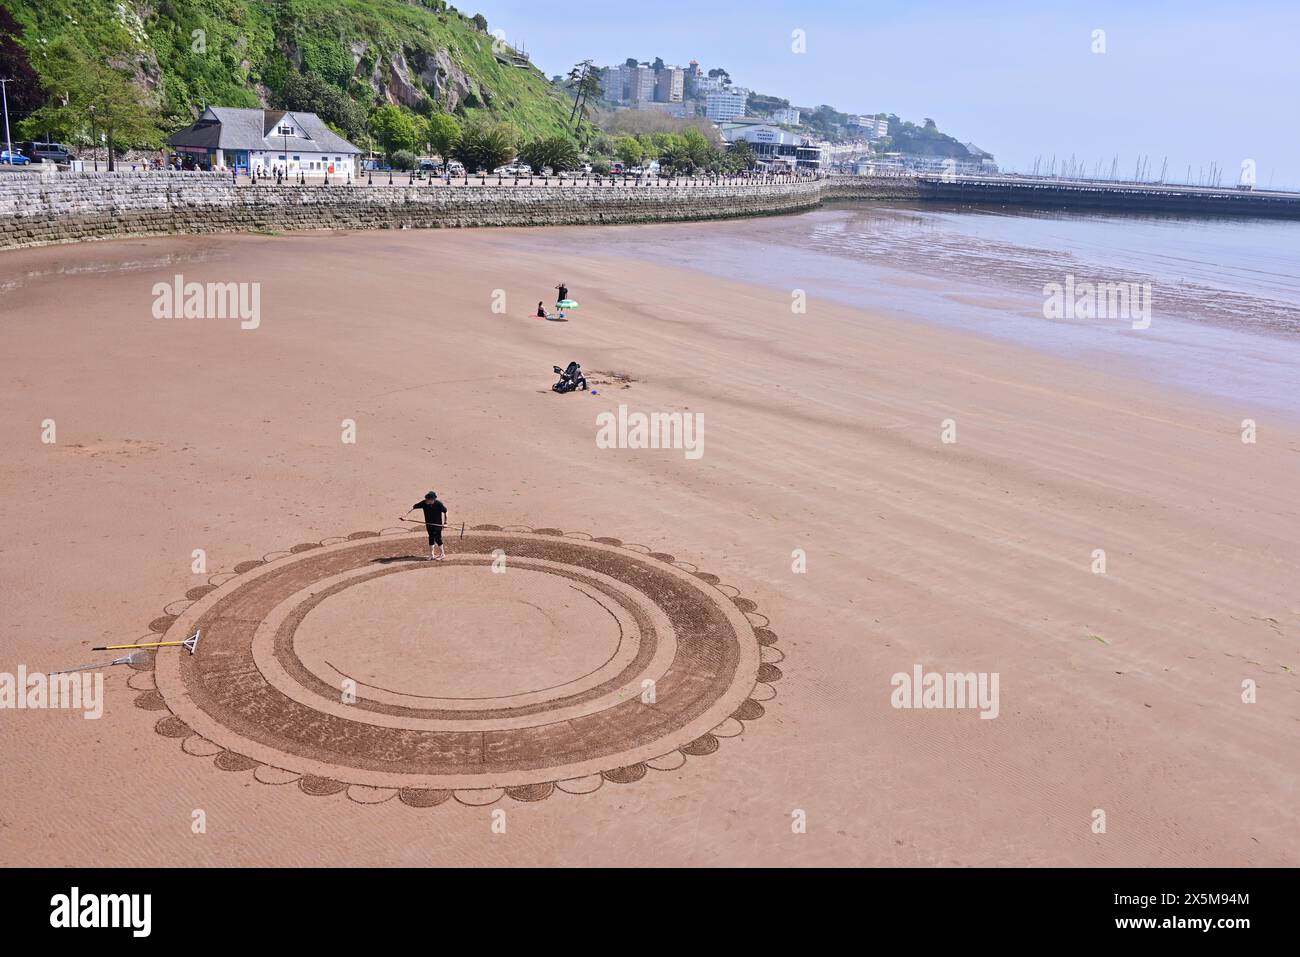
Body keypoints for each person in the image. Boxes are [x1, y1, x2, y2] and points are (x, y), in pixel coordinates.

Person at [403, 491, 449, 560]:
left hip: (437, 525)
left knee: (438, 539)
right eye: (426, 499)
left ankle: (442, 554)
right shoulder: (424, 503)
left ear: (432, 500)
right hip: (429, 525)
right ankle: (431, 555)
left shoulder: (439, 504)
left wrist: (445, 522)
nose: (426, 501)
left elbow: (446, 511)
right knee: (431, 538)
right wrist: (405, 515)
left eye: (428, 500)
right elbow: (413, 507)